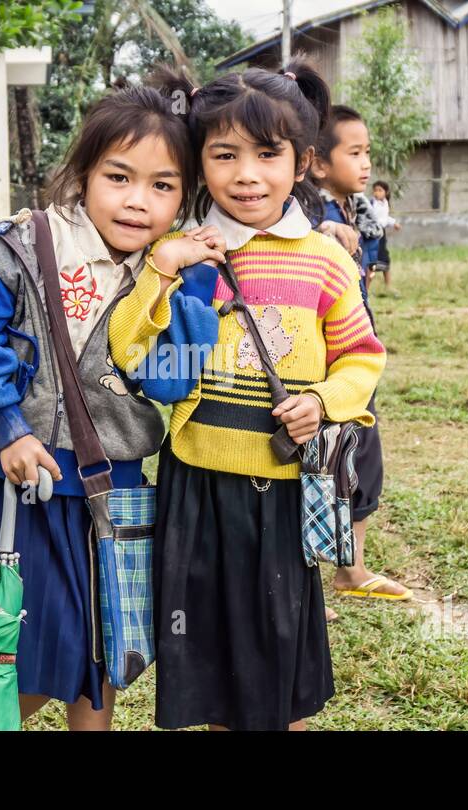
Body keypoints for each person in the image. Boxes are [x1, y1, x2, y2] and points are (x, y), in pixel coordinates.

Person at [109, 59, 386, 730]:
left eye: (268, 154)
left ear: (301, 164)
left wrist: (320, 398)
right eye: (224, 154)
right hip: (196, 488)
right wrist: (160, 272)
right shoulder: (181, 251)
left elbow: (362, 358)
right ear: (201, 163)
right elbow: (130, 349)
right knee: (206, 656)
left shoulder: (326, 259)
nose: (246, 174)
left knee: (280, 658)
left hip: (283, 490)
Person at [0, 85, 194, 730]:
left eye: (163, 186)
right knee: (20, 650)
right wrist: (7, 427)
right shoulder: (22, 246)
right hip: (26, 482)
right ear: (83, 173)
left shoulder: (176, 271)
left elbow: (172, 379)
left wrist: (169, 282)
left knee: (104, 645)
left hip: (119, 488)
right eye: (119, 177)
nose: (139, 201)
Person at [309, 105, 412, 618]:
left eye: (368, 151)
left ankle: (351, 569)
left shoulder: (356, 210)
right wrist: (324, 234)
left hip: (354, 355)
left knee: (363, 458)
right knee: (314, 466)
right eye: (355, 152)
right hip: (317, 364)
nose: (366, 162)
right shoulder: (306, 212)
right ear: (318, 163)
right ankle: (300, 585)